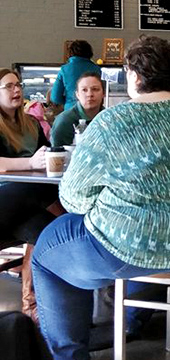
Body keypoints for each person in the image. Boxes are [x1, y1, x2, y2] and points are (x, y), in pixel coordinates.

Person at [31, 36, 170, 360]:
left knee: (46, 252)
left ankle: (69, 357)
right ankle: (131, 320)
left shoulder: (113, 122)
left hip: (139, 245)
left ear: (133, 75)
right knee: (135, 239)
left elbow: (72, 198)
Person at [0, 67, 59, 251]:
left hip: (25, 206)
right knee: (34, 188)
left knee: (53, 234)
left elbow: (45, 153)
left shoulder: (32, 123)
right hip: (7, 195)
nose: (17, 89)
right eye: (9, 86)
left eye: (18, 85)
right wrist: (31, 163)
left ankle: (30, 273)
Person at [50, 73, 105, 147]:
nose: (89, 94)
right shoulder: (64, 121)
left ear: (103, 93)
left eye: (95, 89)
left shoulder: (109, 119)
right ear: (77, 94)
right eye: (84, 90)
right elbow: (57, 151)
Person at [51, 41, 100, 110]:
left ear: (70, 53)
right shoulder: (97, 69)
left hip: (71, 109)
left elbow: (55, 97)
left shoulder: (65, 69)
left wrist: (68, 101)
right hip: (93, 110)